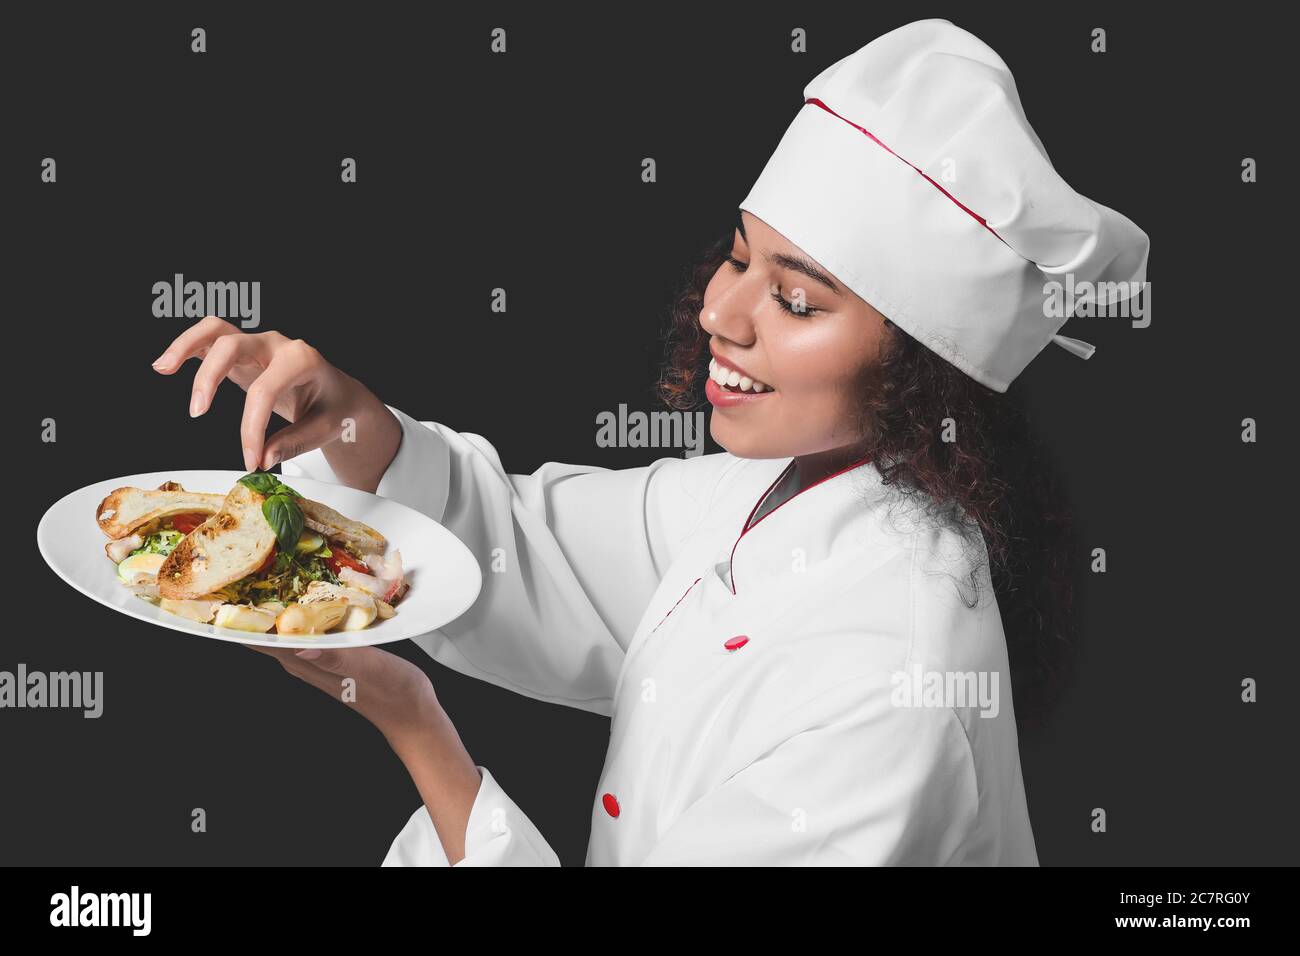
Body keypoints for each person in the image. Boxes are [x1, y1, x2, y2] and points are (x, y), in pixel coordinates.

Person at [150, 19, 1148, 865]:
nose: (721, 310)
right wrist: (357, 424)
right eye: (736, 256)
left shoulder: (895, 684)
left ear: (920, 369)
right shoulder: (777, 491)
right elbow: (523, 544)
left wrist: (418, 728)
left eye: (795, 299)